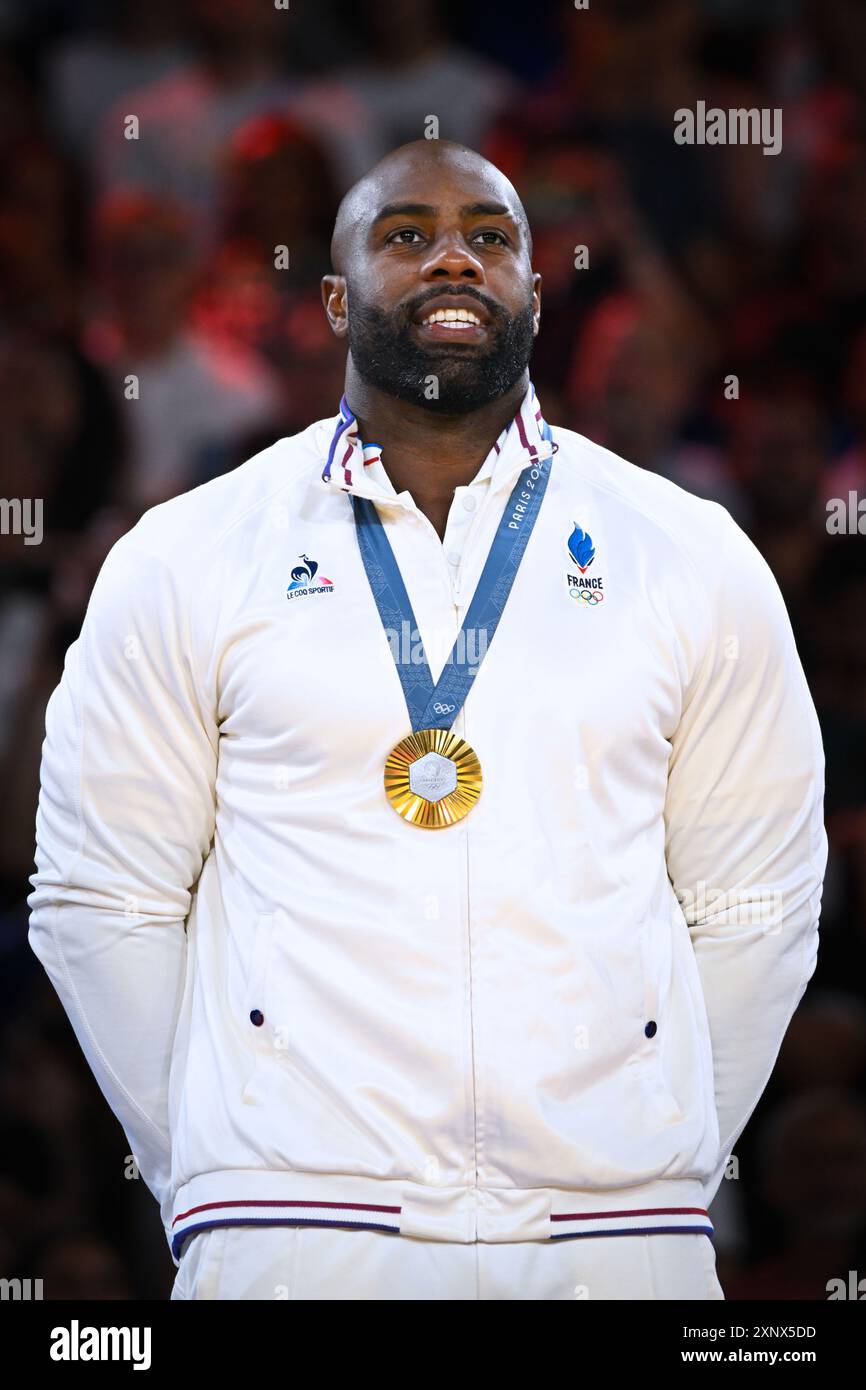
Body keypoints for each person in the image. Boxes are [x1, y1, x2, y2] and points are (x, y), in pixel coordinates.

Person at [27, 139, 827, 1301]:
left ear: (534, 297)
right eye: (406, 234)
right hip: (294, 1226)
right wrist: (220, 1165)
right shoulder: (190, 553)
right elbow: (102, 898)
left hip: (613, 1233)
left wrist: (655, 1145)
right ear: (337, 296)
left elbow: (755, 901)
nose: (452, 256)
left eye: (490, 238)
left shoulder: (688, 552)